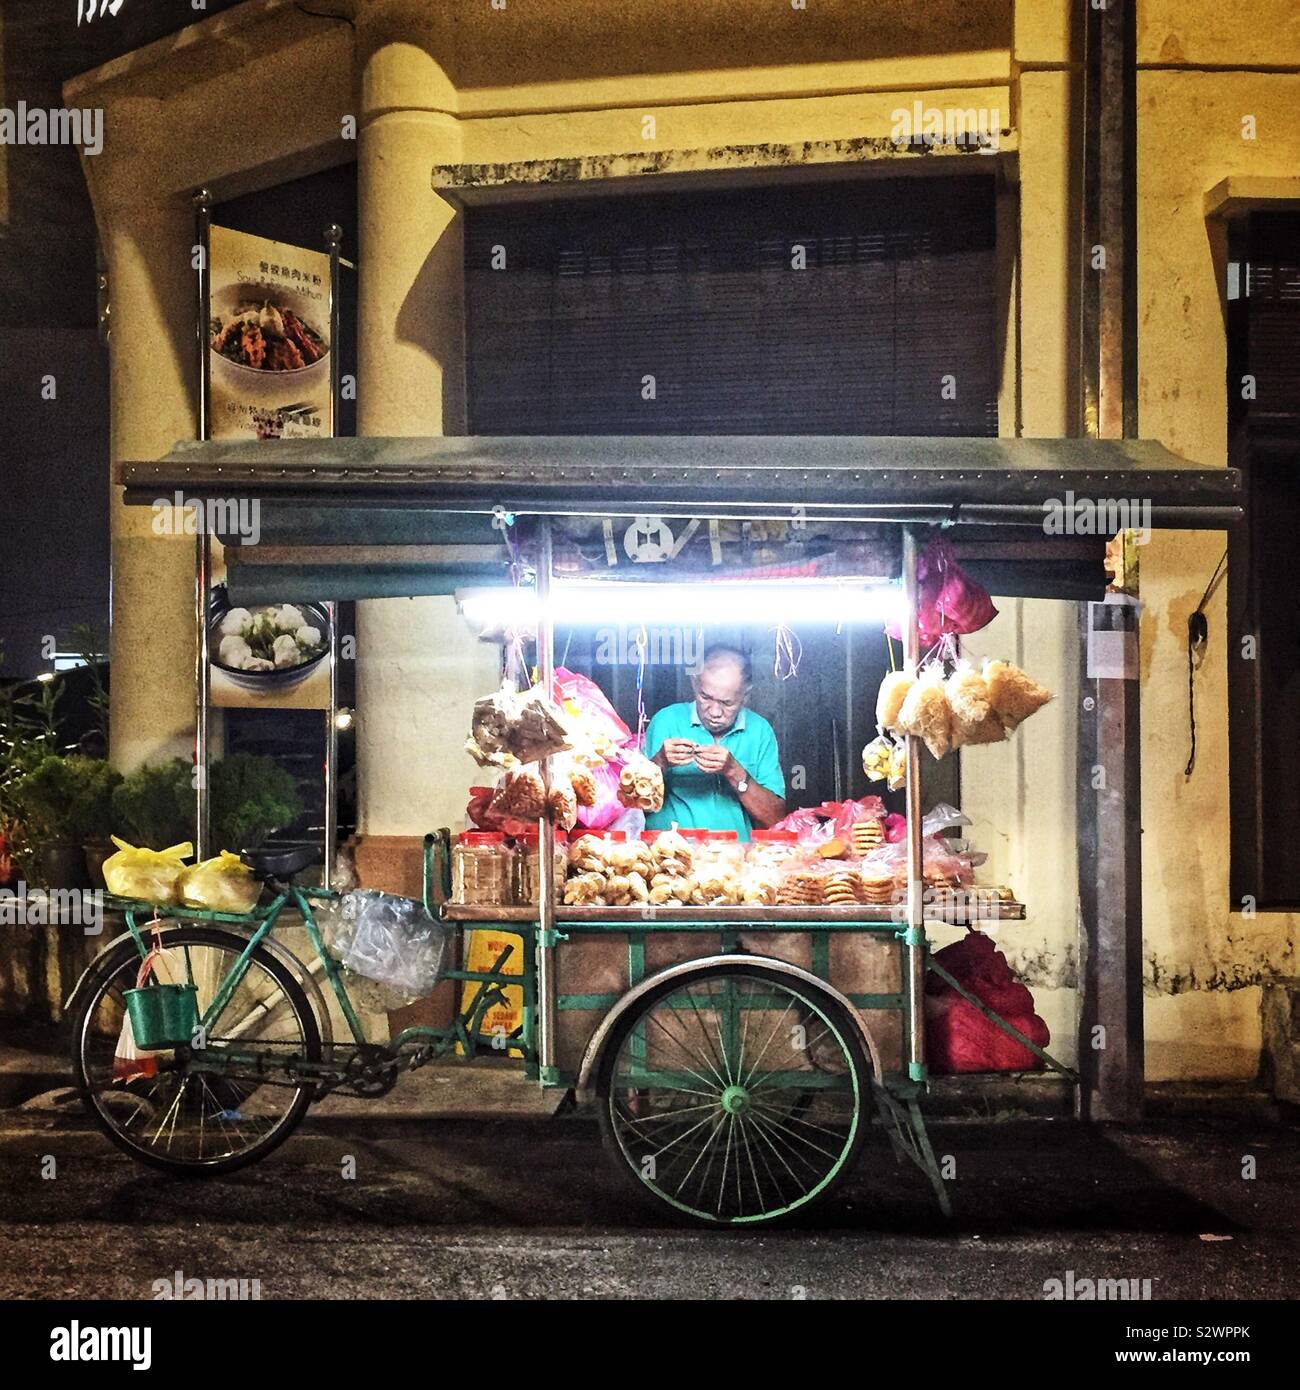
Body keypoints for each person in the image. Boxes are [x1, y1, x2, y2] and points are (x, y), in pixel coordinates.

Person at [643, 645, 786, 841]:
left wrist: (734, 772)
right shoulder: (666, 721)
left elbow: (775, 818)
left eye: (727, 703)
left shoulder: (759, 731)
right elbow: (632, 806)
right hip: (668, 858)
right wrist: (660, 762)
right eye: (705, 698)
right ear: (694, 684)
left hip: (732, 860)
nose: (715, 712)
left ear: (746, 696)